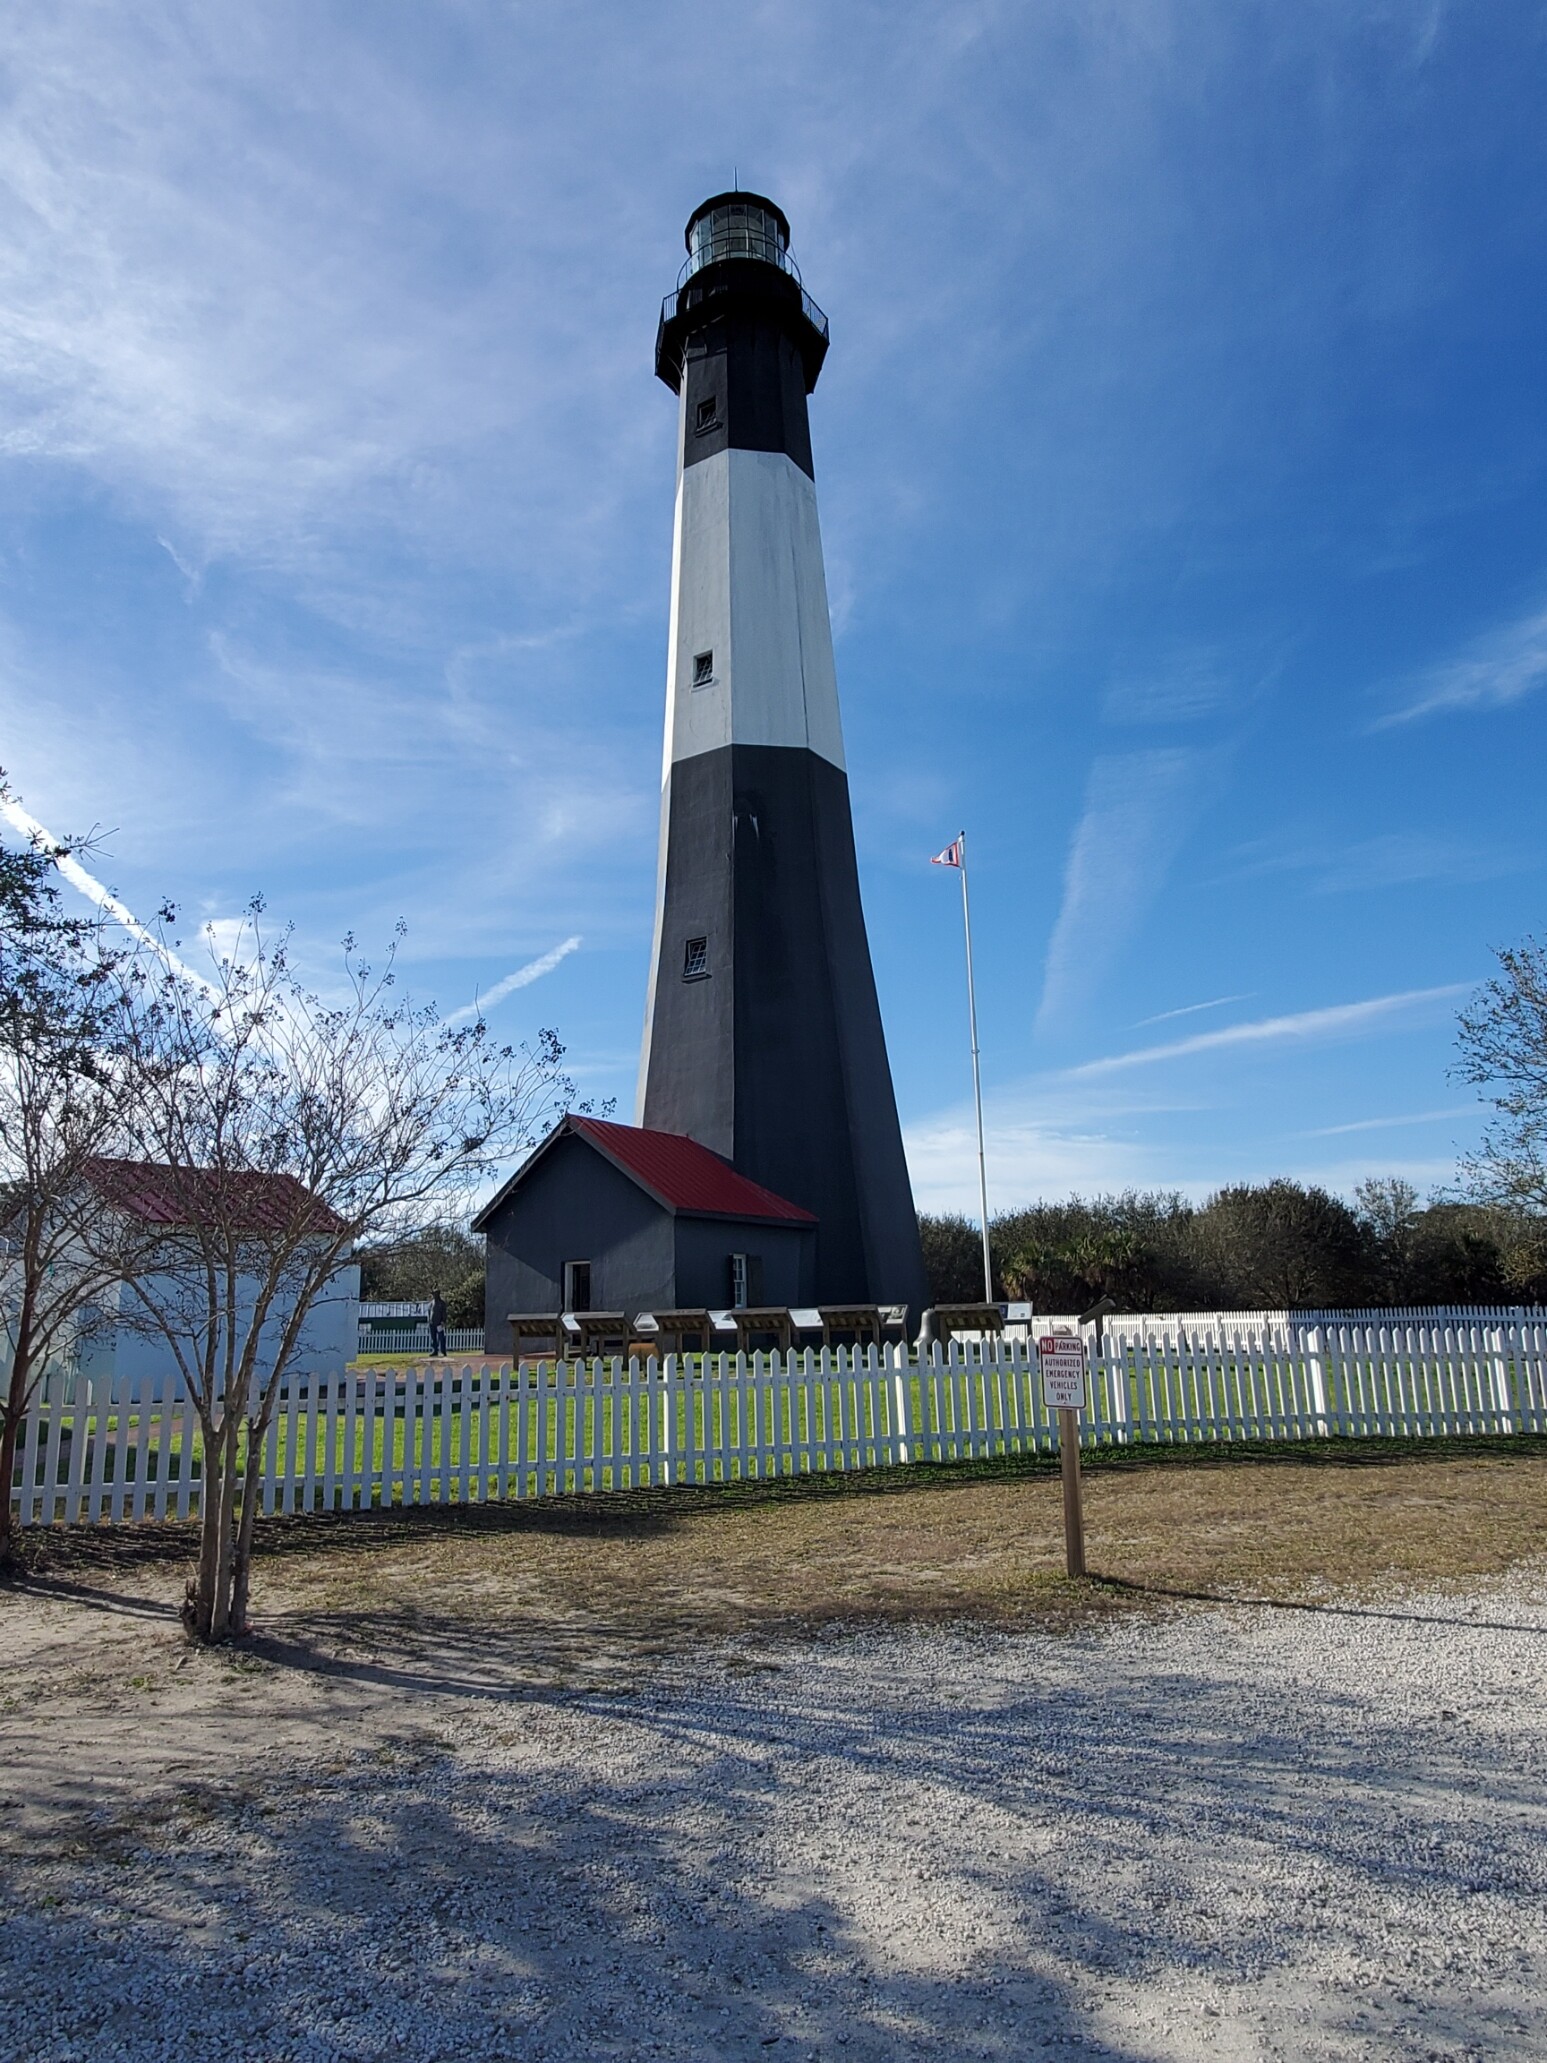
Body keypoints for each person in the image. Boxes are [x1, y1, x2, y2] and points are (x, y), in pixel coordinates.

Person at [429, 1289, 447, 1358]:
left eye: (435, 1294)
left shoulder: (442, 1303)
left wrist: (443, 1321)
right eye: (433, 1294)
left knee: (441, 1337)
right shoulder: (431, 1303)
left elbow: (444, 1313)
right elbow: (429, 1312)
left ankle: (443, 1351)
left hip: (439, 1323)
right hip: (432, 1323)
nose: (434, 1295)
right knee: (433, 1338)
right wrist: (429, 1320)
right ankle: (435, 1351)